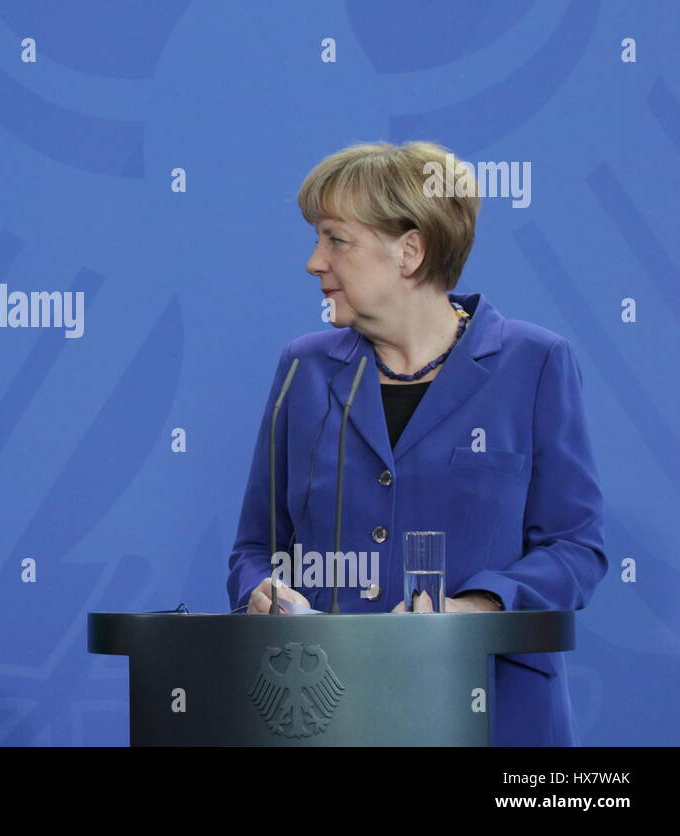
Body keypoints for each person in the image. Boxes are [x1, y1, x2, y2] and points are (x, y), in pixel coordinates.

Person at [226, 142, 607, 746]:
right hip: (330, 716)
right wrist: (259, 591)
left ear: (409, 250)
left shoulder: (534, 364)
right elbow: (256, 547)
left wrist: (471, 611)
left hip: (495, 715)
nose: (313, 263)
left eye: (335, 240)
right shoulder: (303, 368)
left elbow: (575, 549)